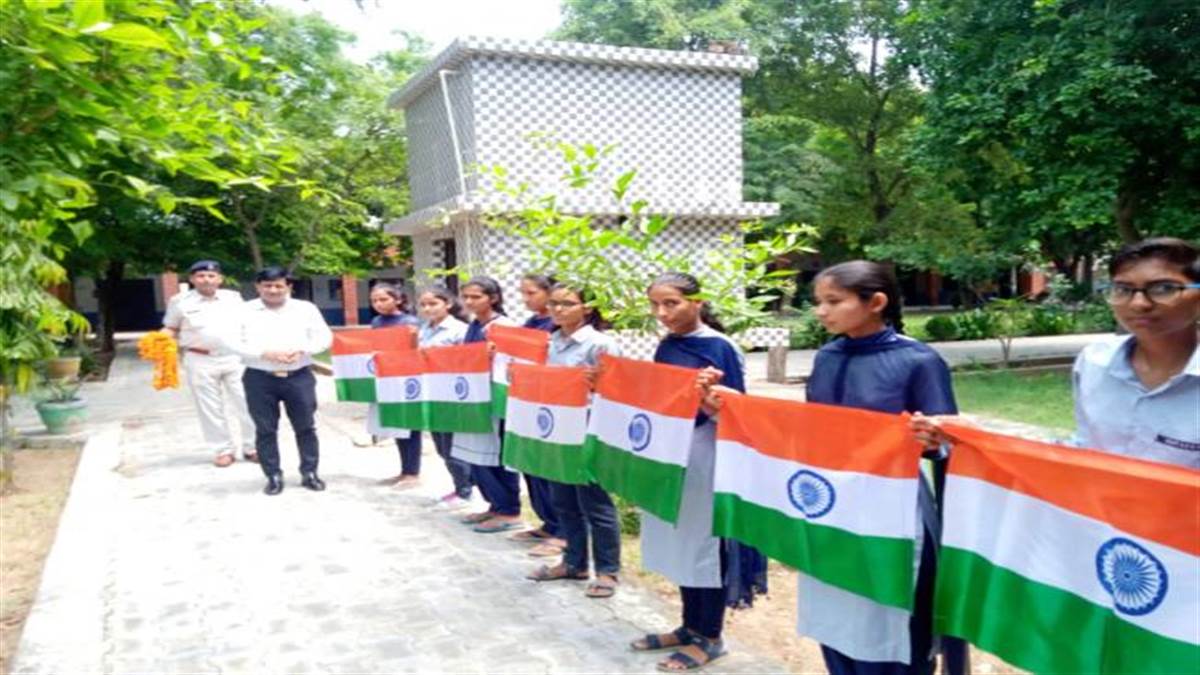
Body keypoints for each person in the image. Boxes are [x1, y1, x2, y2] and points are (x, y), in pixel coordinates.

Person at [803, 261, 965, 675]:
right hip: (832, 504)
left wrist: (934, 442)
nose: (821, 311)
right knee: (838, 610)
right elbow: (812, 428)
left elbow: (948, 443)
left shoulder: (918, 361)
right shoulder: (826, 357)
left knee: (893, 620)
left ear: (876, 302)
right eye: (818, 302)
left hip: (895, 512)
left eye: (833, 301)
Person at [914, 237, 1200, 469]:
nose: (1139, 304)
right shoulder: (1096, 362)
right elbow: (1083, 450)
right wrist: (971, 432)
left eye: (1164, 288)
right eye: (1123, 289)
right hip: (1104, 531)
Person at [629, 272, 768, 672]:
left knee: (705, 544)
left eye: (671, 303)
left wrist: (711, 401)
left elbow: (737, 411)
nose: (662, 313)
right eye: (655, 305)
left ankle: (710, 635)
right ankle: (690, 626)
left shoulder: (719, 348)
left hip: (709, 454)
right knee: (680, 540)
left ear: (698, 302)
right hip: (674, 453)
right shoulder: (668, 345)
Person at [525, 283, 622, 598]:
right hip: (558, 429)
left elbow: (617, 390)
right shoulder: (551, 341)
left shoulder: (600, 344)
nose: (558, 309)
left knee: (595, 502)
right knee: (563, 499)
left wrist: (595, 384)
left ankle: (607, 571)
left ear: (587, 308)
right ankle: (574, 562)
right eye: (553, 303)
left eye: (567, 303)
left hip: (589, 429)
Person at [225, 266, 333, 496]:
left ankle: (309, 472)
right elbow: (231, 341)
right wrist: (264, 353)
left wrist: (303, 349)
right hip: (259, 378)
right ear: (258, 287)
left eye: (278, 285)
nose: (273, 290)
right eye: (267, 285)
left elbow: (324, 337)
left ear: (288, 287)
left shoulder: (306, 309)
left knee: (305, 427)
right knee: (265, 429)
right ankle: (273, 475)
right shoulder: (243, 311)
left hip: (299, 376)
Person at [161, 260, 255, 467]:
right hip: (200, 359)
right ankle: (223, 450)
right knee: (210, 407)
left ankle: (252, 447)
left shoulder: (234, 298)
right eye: (201, 276)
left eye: (211, 276)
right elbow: (171, 328)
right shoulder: (180, 301)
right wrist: (157, 341)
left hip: (235, 357)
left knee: (247, 402)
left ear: (220, 279)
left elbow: (247, 326)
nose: (206, 280)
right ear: (193, 279)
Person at [454, 276, 523, 533]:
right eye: (466, 297)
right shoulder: (473, 325)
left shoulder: (504, 326)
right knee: (477, 454)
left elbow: (514, 362)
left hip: (497, 400)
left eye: (476, 297)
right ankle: (494, 504)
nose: (470, 302)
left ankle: (509, 509)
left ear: (493, 298)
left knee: (496, 453)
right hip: (474, 397)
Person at [513, 273, 565, 557]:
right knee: (533, 466)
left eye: (531, 293)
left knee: (552, 470)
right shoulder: (530, 324)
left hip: (555, 405)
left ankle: (562, 530)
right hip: (531, 401)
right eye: (523, 293)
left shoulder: (555, 329)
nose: (525, 299)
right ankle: (547, 521)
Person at [416, 286, 475, 509]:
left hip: (452, 395)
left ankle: (466, 490)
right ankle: (459, 486)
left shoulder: (459, 330)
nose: (428, 309)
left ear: (448, 304)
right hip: (432, 394)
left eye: (433, 304)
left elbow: (466, 362)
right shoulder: (424, 329)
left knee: (453, 445)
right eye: (423, 305)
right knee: (441, 445)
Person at [367, 283, 423, 489]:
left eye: (383, 299)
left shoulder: (409, 322)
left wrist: (413, 337)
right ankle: (404, 470)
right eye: (374, 300)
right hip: (387, 379)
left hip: (408, 380)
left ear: (398, 300)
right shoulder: (376, 321)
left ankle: (413, 473)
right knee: (396, 426)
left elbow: (416, 349)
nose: (378, 304)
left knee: (410, 427)